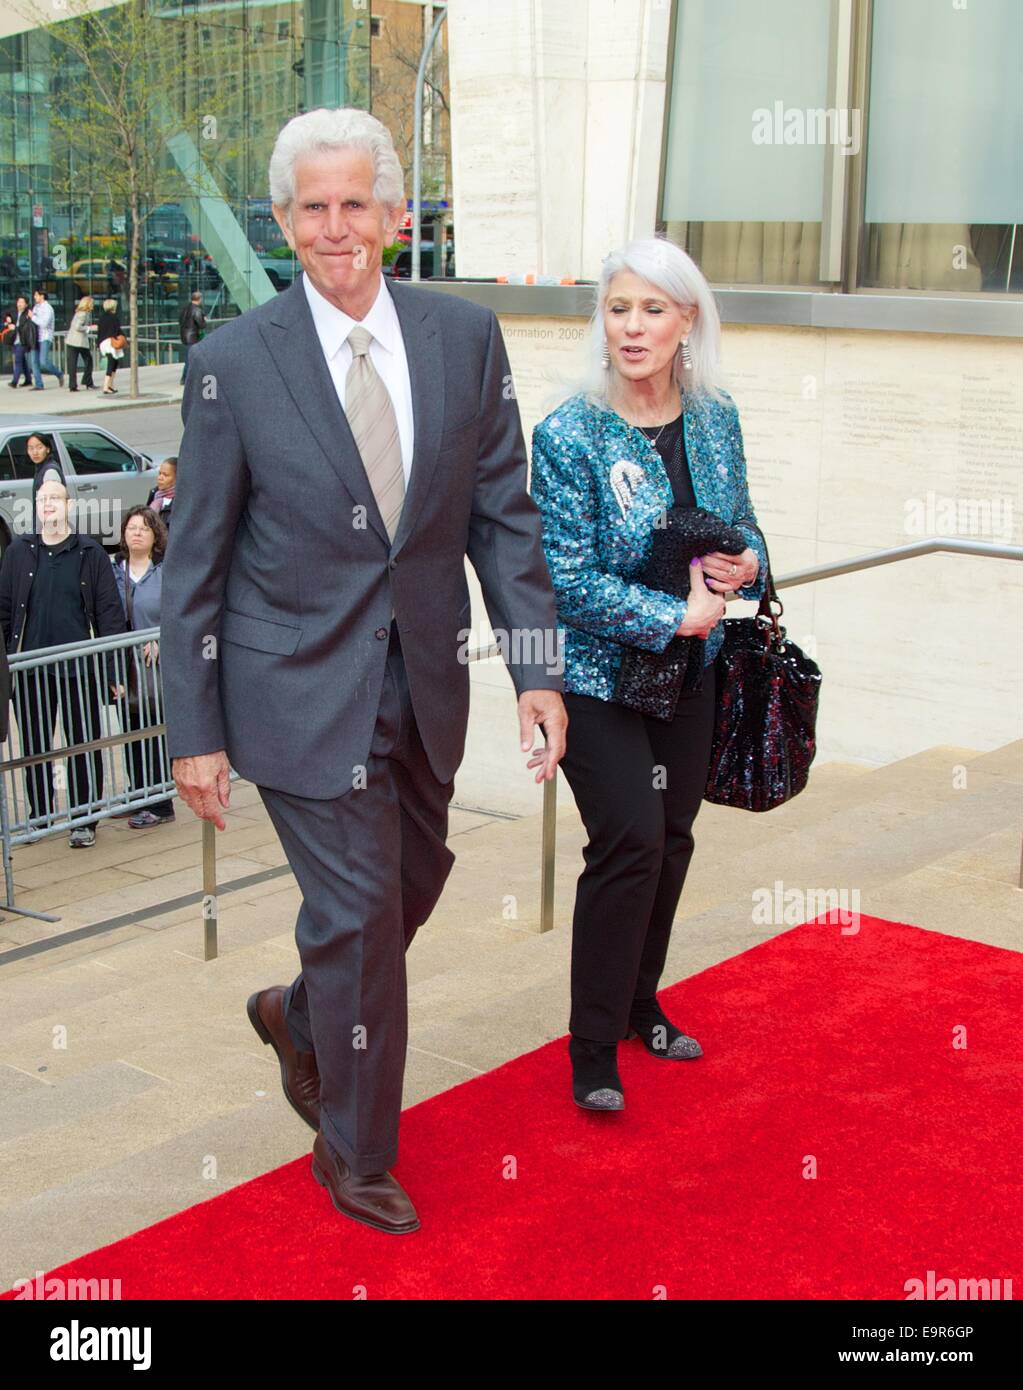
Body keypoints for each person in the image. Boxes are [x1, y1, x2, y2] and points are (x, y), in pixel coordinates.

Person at [161, 107, 566, 1235]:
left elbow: (506, 518)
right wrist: (194, 732)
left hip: (424, 686)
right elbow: (192, 566)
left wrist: (536, 667)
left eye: (357, 205)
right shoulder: (231, 365)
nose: (336, 229)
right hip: (292, 693)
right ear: (285, 221)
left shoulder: (463, 338)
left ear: (394, 215)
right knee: (359, 917)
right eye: (312, 208)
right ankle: (355, 1149)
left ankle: (299, 1013)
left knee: (400, 898)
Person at [530, 237, 767, 1112]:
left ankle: (639, 1004)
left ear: (686, 322)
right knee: (628, 840)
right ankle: (591, 1047)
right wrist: (673, 614)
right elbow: (564, 576)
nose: (632, 327)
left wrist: (746, 564)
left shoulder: (714, 416)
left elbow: (743, 522)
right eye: (618, 308)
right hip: (596, 677)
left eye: (652, 310)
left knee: (671, 841)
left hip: (689, 677)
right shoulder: (566, 433)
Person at [0, 476, 126, 847]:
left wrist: (112, 670)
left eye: (56, 498)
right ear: (35, 507)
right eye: (42, 500)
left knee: (83, 743)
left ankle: (84, 819)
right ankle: (40, 818)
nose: (49, 505)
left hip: (80, 668)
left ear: (70, 505)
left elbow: (109, 614)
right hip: (31, 671)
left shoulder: (90, 553)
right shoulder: (19, 551)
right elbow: (4, 611)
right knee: (36, 746)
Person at [112, 506, 175, 828]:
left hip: (155, 666)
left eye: (144, 528)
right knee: (129, 729)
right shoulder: (114, 572)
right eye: (131, 527)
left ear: (155, 537)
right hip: (125, 666)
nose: (136, 532)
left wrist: (161, 640)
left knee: (154, 730)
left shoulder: (164, 572)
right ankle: (138, 794)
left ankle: (161, 802)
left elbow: (179, 615)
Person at [30, 289, 65, 389]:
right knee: (34, 362)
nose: (34, 297)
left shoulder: (48, 308)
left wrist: (33, 317)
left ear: (42, 296)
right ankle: (39, 384)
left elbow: (44, 323)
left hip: (45, 336)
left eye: (36, 295)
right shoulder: (36, 307)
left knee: (43, 361)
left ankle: (59, 373)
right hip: (35, 337)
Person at [65, 295, 96, 392]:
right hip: (79, 342)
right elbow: (78, 327)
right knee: (88, 360)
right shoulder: (83, 314)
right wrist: (90, 328)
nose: (93, 305)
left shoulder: (78, 312)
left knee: (72, 364)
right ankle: (87, 381)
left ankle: (73, 385)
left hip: (71, 341)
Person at [96, 299, 124, 394]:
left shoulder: (102, 318)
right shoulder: (114, 318)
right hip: (110, 342)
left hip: (103, 342)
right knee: (112, 363)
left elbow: (99, 331)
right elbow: (117, 330)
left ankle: (110, 385)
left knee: (114, 362)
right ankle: (106, 386)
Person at [178, 291, 205, 384]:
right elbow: (201, 324)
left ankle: (186, 378)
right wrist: (204, 320)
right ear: (199, 299)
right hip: (192, 337)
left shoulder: (185, 308)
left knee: (189, 357)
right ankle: (185, 379)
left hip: (185, 336)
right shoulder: (197, 310)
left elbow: (180, 320)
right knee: (190, 358)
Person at [11, 296, 37, 389]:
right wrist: (7, 319)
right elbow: (4, 314)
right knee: (23, 361)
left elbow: (25, 328)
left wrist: (15, 328)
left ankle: (14, 381)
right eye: (18, 301)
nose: (19, 304)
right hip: (15, 340)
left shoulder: (27, 314)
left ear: (26, 304)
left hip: (23, 341)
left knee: (18, 360)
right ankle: (28, 380)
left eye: (21, 302)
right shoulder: (15, 312)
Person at [145, 456, 175, 529]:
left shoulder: (181, 501)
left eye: (165, 475)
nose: (160, 478)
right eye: (160, 473)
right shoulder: (155, 494)